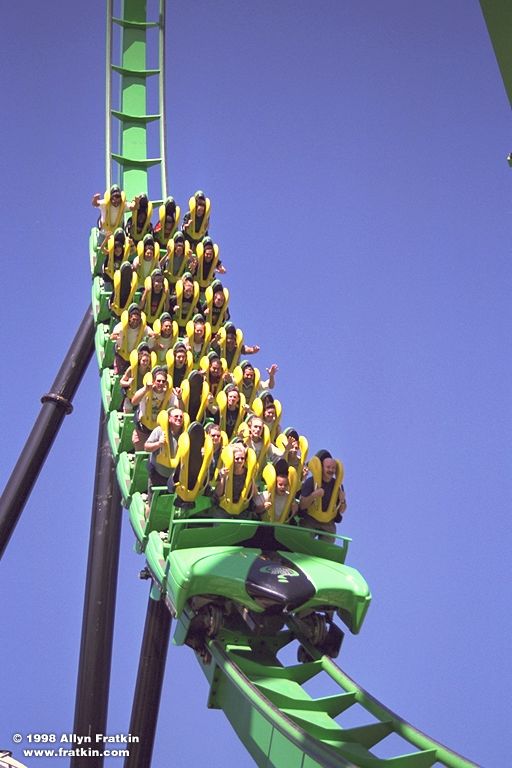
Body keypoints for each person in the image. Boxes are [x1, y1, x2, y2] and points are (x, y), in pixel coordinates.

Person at [299, 450, 346, 539]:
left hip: (328, 523)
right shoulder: (310, 482)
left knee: (329, 538)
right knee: (304, 537)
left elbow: (342, 510)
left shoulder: (338, 486)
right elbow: (302, 505)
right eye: (328, 467)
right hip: (311, 519)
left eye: (333, 468)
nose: (331, 470)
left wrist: (342, 500)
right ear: (322, 468)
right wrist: (313, 495)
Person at [144, 407, 185, 498]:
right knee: (153, 503)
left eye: (181, 417)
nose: (179, 418)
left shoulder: (185, 435)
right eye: (176, 416)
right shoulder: (159, 431)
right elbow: (146, 447)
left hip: (174, 477)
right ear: (169, 419)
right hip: (158, 475)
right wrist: (159, 444)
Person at [131, 366, 173, 451]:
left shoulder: (169, 394)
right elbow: (134, 401)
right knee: (141, 453)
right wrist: (146, 389)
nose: (161, 383)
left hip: (158, 430)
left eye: (163, 381)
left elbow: (179, 408)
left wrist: (179, 398)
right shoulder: (146, 391)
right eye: (158, 381)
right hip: (143, 428)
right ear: (154, 381)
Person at [213, 443, 258, 518]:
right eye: (237, 458)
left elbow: (254, 494)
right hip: (224, 508)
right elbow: (218, 493)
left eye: (242, 458)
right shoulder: (224, 471)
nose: (240, 461)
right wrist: (223, 478)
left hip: (242, 509)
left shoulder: (248, 472)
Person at [110, 304, 153, 374]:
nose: (135, 322)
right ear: (129, 318)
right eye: (134, 319)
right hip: (122, 352)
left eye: (137, 320)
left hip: (134, 354)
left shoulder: (142, 328)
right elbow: (115, 333)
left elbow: (150, 332)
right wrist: (113, 336)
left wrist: (153, 335)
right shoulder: (121, 326)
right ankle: (117, 369)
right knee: (119, 368)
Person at [119, 342, 154, 413]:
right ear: (139, 360)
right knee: (128, 409)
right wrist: (128, 383)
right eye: (143, 361)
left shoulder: (150, 371)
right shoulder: (132, 369)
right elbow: (121, 382)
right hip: (131, 396)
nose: (145, 363)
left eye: (147, 361)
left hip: (142, 398)